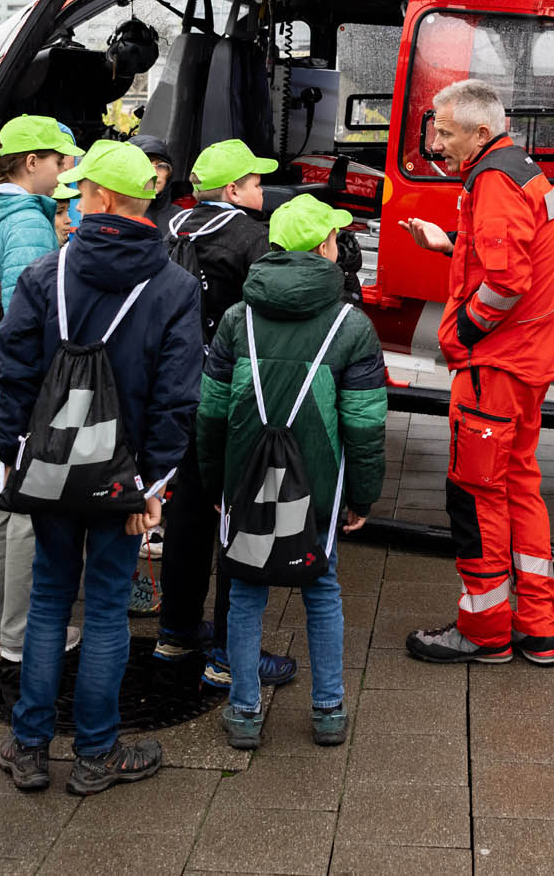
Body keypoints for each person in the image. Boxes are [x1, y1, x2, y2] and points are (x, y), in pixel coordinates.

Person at [0, 140, 202, 796]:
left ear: (103, 199)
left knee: (50, 598)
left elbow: (14, 376)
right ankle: (96, 752)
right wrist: (154, 485)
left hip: (50, 472)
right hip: (122, 479)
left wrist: (13, 457)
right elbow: (176, 398)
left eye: (82, 192)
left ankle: (29, 745)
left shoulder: (46, 274)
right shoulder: (173, 285)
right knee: (109, 609)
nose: (75, 200)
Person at [199, 195, 387, 748]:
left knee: (245, 588)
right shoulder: (351, 325)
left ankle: (244, 711)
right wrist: (364, 495)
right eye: (334, 239)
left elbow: (211, 413)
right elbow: (364, 424)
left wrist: (217, 484)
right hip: (321, 478)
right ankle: (328, 710)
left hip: (246, 473)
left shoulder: (238, 318)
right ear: (324, 248)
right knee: (322, 587)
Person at [399, 80, 554, 665]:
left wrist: (462, 335)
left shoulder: (491, 181)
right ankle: (536, 629)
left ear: (480, 131)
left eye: (444, 132)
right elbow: (513, 261)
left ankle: (485, 632)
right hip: (527, 364)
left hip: (492, 367)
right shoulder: (521, 171)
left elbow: (506, 282)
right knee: (520, 488)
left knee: (475, 496)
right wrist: (452, 245)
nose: (436, 145)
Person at [154, 138, 298, 690]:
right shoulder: (252, 238)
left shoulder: (170, 229)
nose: (264, 191)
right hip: (233, 395)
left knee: (187, 513)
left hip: (176, 389)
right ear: (234, 190)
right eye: (257, 183)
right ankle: (227, 655)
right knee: (238, 519)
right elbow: (271, 313)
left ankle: (175, 634)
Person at [0, 114, 82, 663]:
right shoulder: (26, 221)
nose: (64, 172)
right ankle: (20, 633)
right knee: (26, 504)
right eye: (58, 160)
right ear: (32, 162)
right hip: (15, 383)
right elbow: (28, 319)